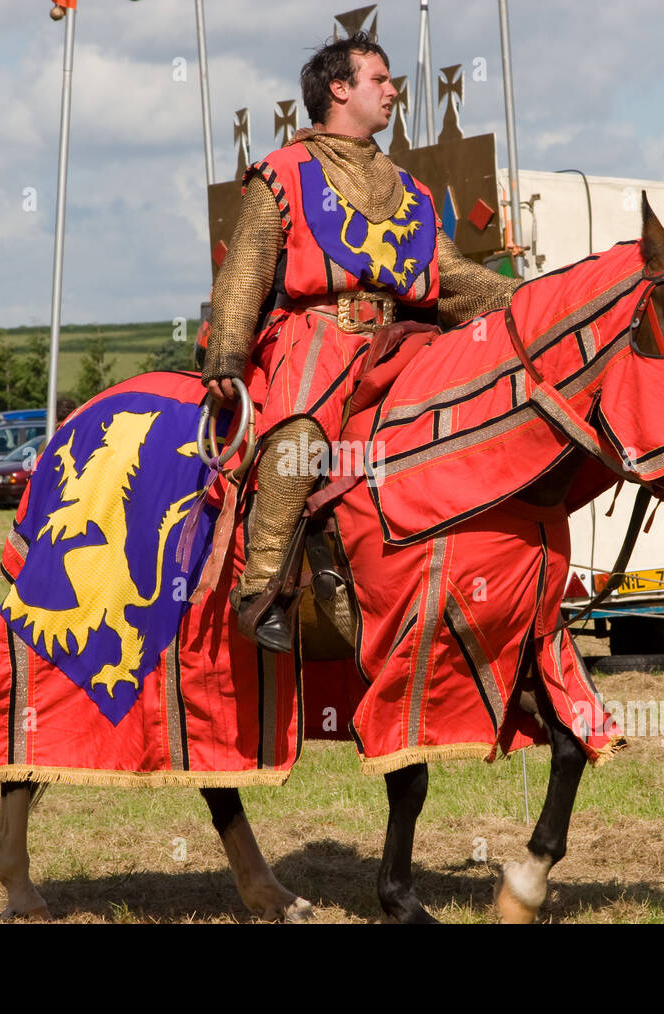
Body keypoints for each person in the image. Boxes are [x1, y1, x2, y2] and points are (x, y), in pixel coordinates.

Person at [202, 32, 518, 652]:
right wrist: (226, 353)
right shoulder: (282, 174)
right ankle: (261, 586)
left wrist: (531, 299)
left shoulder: (412, 190)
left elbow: (447, 277)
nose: (393, 90)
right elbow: (245, 271)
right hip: (315, 332)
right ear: (339, 90)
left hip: (400, 340)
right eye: (381, 79)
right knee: (301, 434)